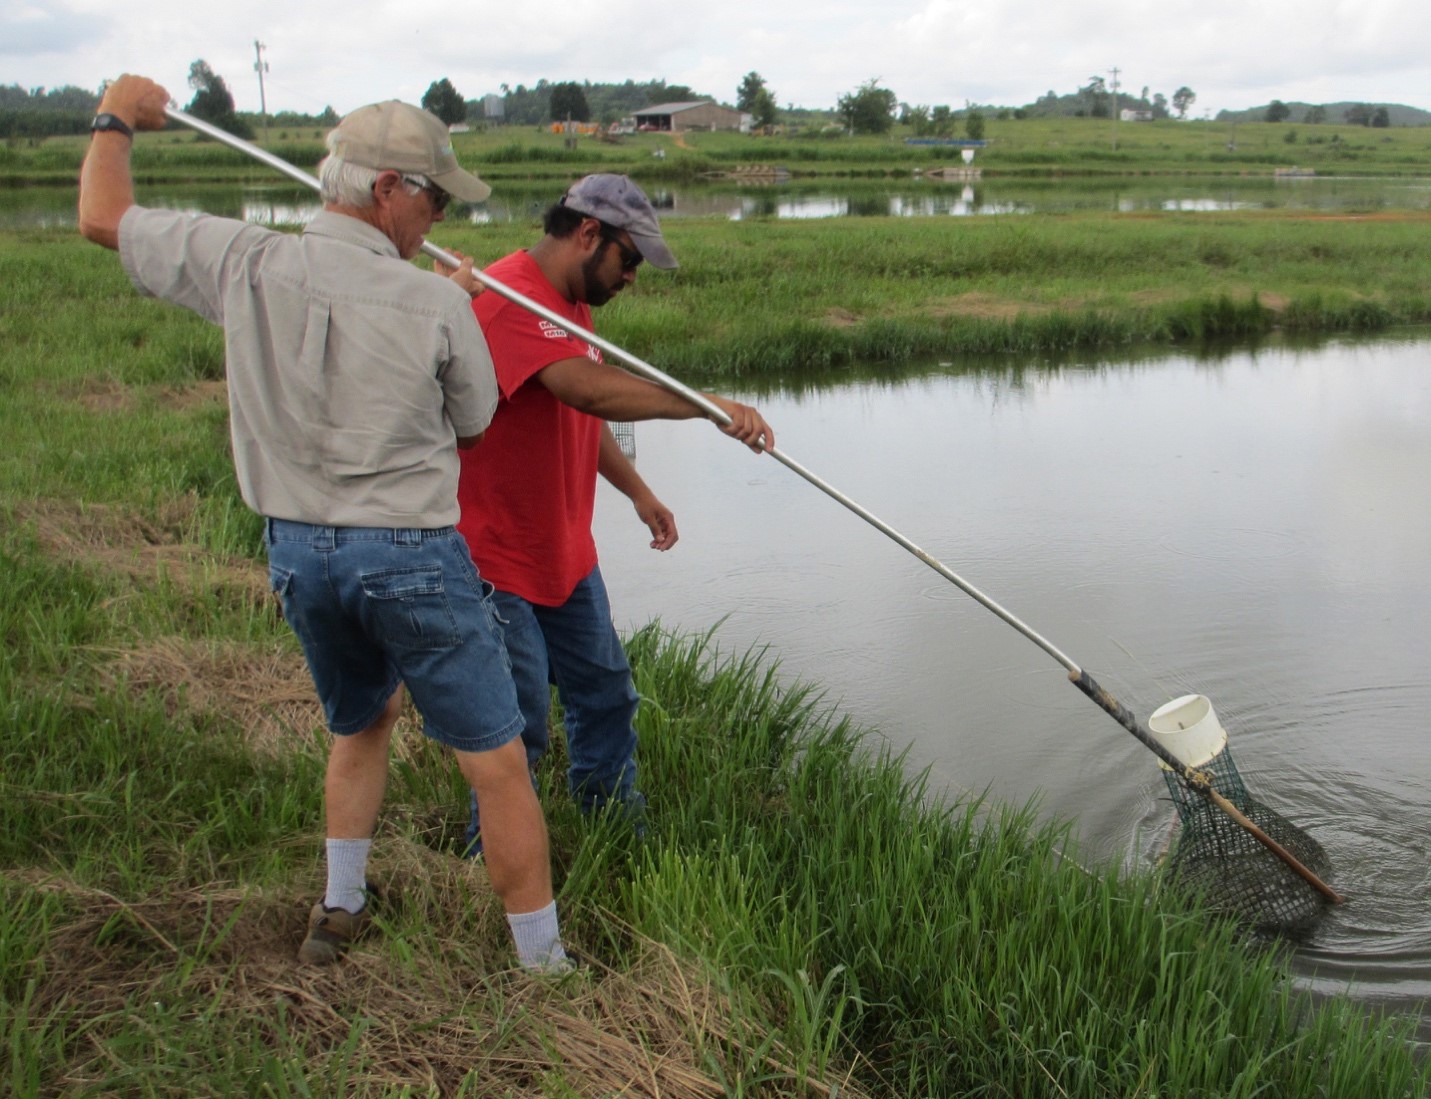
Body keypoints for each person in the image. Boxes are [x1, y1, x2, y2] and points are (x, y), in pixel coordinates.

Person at [77, 74, 570, 972]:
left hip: (299, 551)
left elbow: (104, 215)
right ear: (386, 189)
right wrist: (450, 303)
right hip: (413, 553)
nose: (433, 219)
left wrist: (114, 120)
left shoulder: (244, 258)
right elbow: (471, 422)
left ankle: (339, 905)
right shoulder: (436, 301)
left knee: (362, 721)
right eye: (429, 198)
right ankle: (545, 966)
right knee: (494, 761)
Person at [456, 173, 773, 851]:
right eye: (628, 259)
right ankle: (487, 862)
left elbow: (576, 408)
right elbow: (585, 387)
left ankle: (612, 829)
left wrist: (637, 490)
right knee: (518, 724)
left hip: (565, 551)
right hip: (497, 557)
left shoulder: (569, 302)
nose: (630, 277)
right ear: (587, 233)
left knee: (606, 694)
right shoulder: (506, 298)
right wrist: (705, 404)